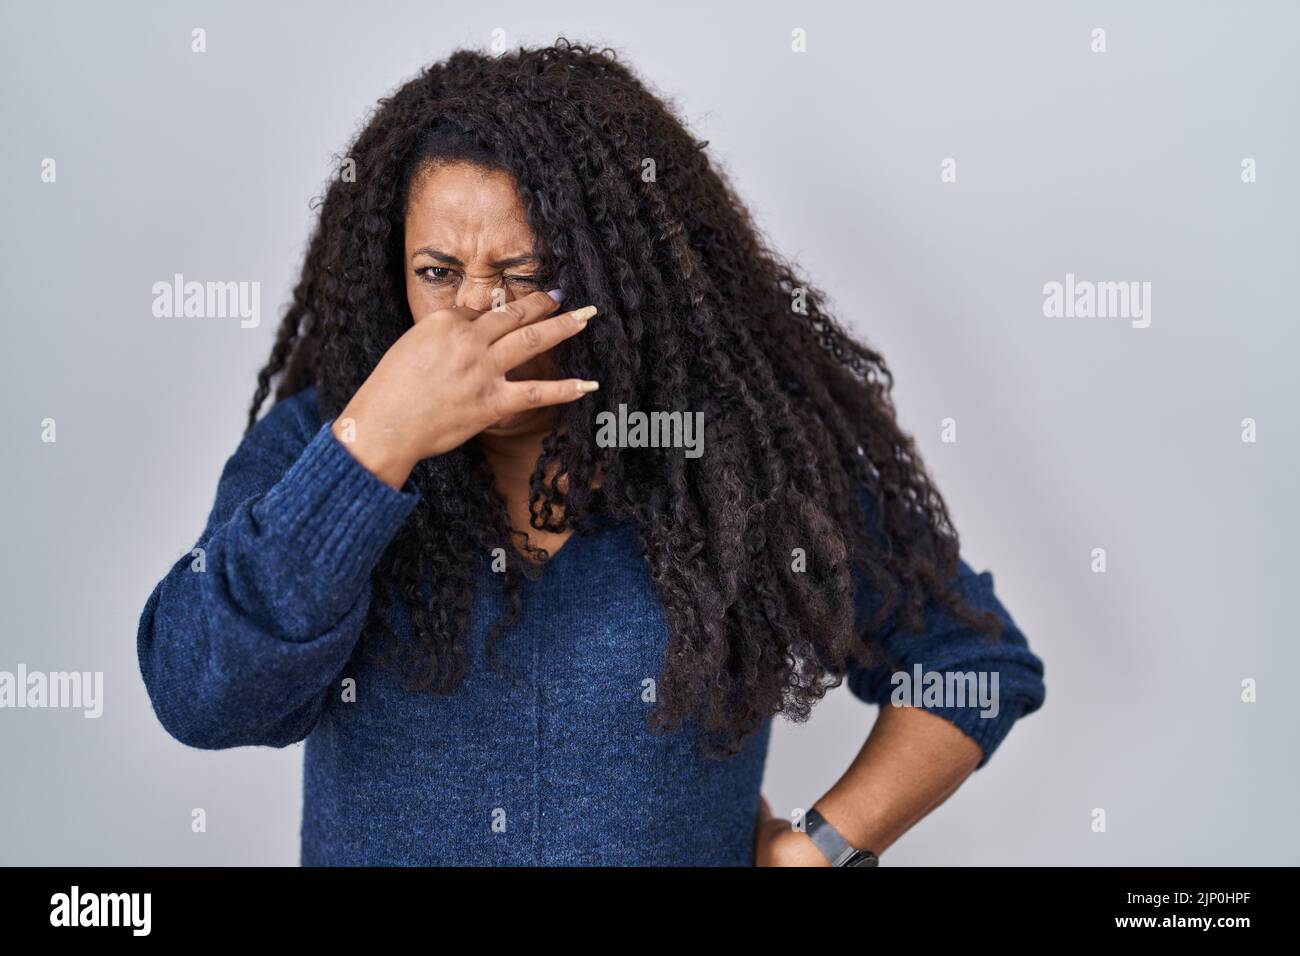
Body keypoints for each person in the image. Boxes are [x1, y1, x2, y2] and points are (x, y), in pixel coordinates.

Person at [137, 39, 1046, 866]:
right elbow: (202, 696)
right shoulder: (320, 446)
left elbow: (971, 663)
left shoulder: (733, 459)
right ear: (392, 269)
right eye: (437, 273)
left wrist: (823, 848)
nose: (475, 317)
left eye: (525, 276)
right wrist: (373, 446)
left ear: (613, 272)